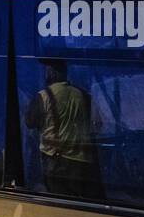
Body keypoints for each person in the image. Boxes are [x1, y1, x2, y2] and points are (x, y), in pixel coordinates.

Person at [24, 59, 104, 200]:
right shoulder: (84, 96)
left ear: (51, 72)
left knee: (59, 202)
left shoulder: (43, 96)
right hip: (82, 162)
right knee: (80, 202)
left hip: (55, 162)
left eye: (47, 70)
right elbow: (98, 125)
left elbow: (30, 122)